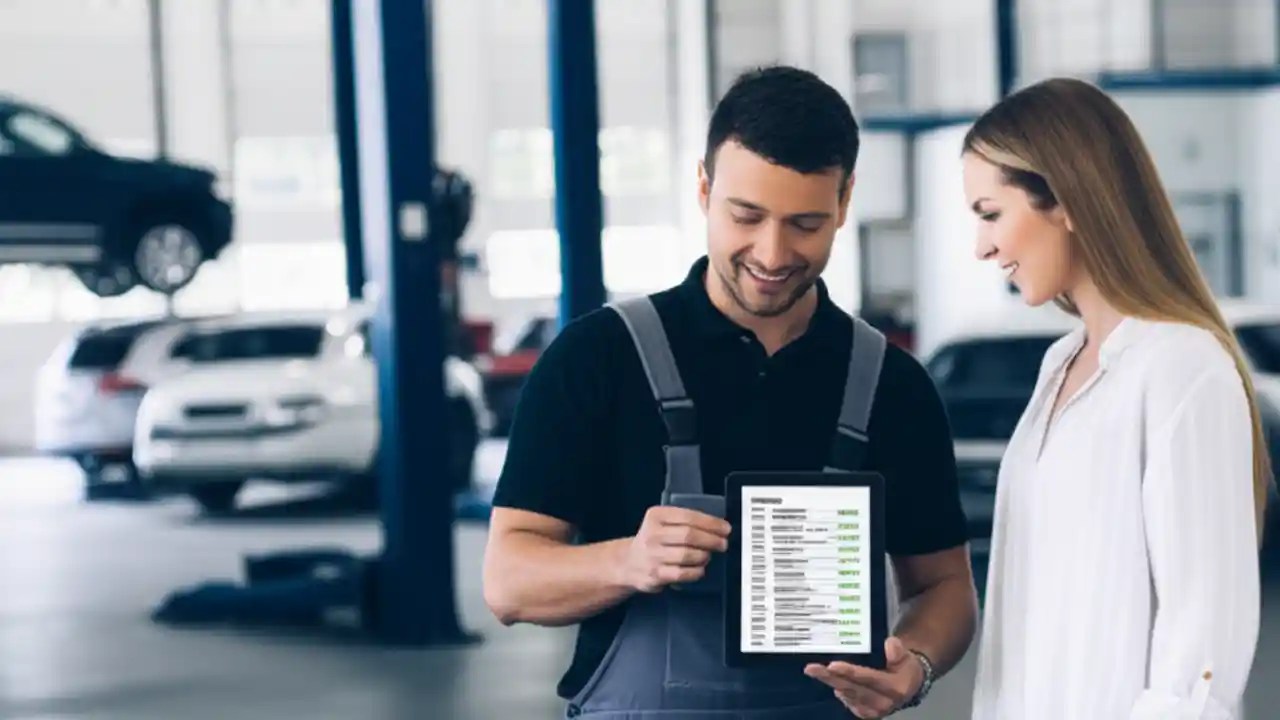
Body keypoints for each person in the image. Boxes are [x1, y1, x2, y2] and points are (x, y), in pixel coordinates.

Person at [483, 65, 978, 720]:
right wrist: (629, 561)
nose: (772, 254)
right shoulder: (598, 357)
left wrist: (913, 663)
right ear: (703, 188)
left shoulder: (892, 384)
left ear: (845, 201)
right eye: (746, 216)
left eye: (805, 223)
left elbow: (944, 587)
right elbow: (509, 580)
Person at [961, 77, 1269, 719]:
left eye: (991, 213)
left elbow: (1198, 662)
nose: (982, 246)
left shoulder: (1182, 369)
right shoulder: (1058, 365)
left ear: (1067, 199)